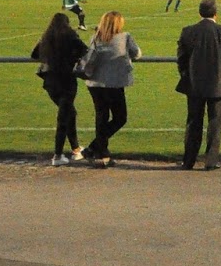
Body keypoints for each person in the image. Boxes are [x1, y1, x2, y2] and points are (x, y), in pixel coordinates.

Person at [177, 0, 221, 171]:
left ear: (199, 13)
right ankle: (211, 161)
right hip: (218, 84)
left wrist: (186, 76)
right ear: (216, 13)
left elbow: (181, 59)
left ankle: (188, 160)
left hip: (194, 84)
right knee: (215, 123)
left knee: (193, 122)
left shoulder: (188, 31)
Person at [79, 10, 141, 167]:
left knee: (102, 117)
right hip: (114, 83)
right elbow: (137, 54)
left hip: (95, 84)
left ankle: (98, 151)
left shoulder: (95, 38)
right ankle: (97, 149)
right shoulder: (125, 37)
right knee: (120, 118)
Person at [31, 12, 88, 166]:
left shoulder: (47, 37)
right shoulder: (70, 35)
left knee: (69, 113)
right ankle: (58, 155)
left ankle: (76, 149)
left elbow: (34, 54)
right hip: (67, 80)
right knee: (64, 117)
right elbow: (85, 50)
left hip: (50, 82)